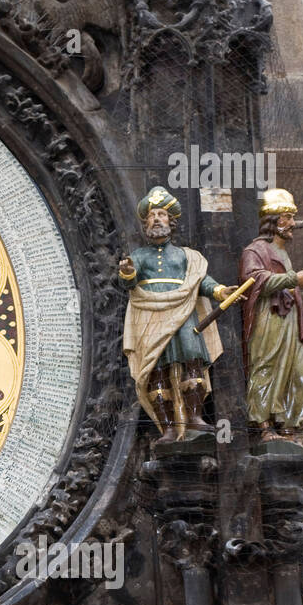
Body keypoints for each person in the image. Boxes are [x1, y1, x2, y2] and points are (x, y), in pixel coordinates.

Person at [119, 186, 232, 444]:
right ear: (145, 222)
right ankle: (168, 427)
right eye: (152, 215)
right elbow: (128, 284)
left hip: (183, 315)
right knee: (156, 370)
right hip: (149, 317)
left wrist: (220, 291)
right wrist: (126, 272)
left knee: (193, 362)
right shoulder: (139, 256)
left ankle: (194, 418)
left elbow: (200, 281)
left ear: (171, 221)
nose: (157, 219)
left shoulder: (185, 256)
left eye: (162, 214)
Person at [239, 188, 303, 442]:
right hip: (268, 319)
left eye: (291, 217)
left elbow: (294, 298)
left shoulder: (283, 254)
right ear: (272, 219)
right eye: (286, 217)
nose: (292, 224)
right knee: (265, 368)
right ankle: (264, 426)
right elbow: (254, 279)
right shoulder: (255, 251)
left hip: (289, 321)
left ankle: (288, 428)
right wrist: (293, 278)